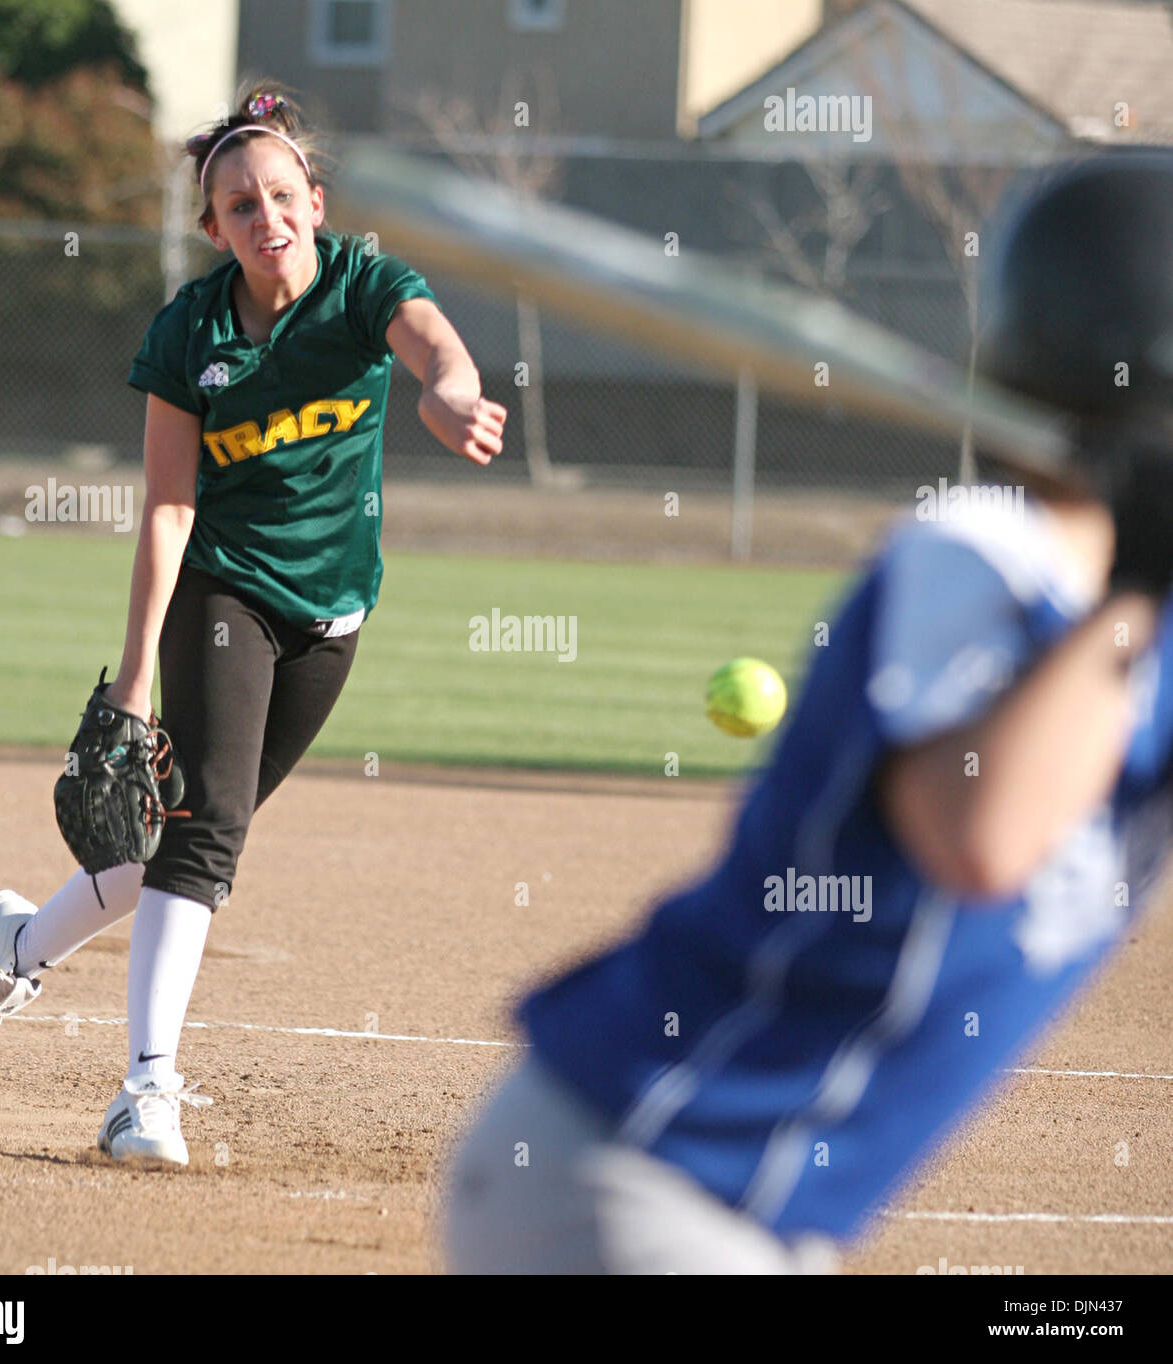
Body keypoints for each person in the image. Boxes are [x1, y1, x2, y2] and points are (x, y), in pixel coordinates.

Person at [443, 151, 1173, 1273]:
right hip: (638, 1169)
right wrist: (1138, 585)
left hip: (753, 1212)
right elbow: (980, 836)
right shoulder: (977, 556)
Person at [0, 81, 507, 1168]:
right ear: (213, 226)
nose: (264, 216)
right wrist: (135, 677)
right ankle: (144, 1093)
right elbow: (170, 506)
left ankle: (11, 942)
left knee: (181, 839)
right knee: (211, 832)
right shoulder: (191, 330)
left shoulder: (367, 285)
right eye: (239, 204)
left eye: (281, 193)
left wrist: (453, 393)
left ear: (316, 201)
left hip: (333, 618)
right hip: (223, 590)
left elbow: (436, 350)